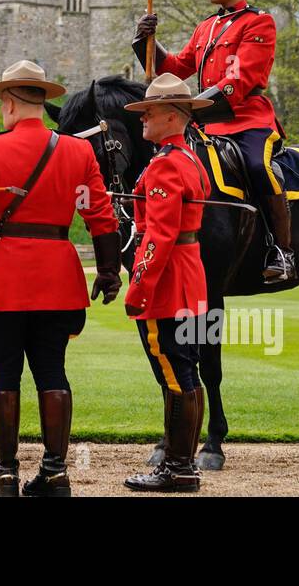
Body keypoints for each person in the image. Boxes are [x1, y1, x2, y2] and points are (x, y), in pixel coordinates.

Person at [0, 60, 122, 497]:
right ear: (41, 101)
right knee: (53, 372)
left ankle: (5, 474)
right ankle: (56, 472)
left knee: (3, 374)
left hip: (1, 279)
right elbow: (100, 215)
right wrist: (111, 270)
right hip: (59, 278)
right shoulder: (79, 152)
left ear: (8, 102)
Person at [132, 0, 295, 284]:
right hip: (206, 124)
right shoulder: (205, 28)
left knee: (257, 167)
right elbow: (176, 69)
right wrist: (146, 42)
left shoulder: (259, 22)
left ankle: (281, 251)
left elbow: (240, 81)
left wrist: (193, 110)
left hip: (247, 120)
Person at [118, 74, 211, 493]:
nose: (143, 119)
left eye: (149, 112)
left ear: (172, 117)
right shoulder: (188, 158)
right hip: (189, 277)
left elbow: (158, 236)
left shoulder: (166, 165)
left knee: (174, 375)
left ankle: (176, 466)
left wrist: (138, 288)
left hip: (167, 282)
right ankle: (184, 462)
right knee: (187, 373)